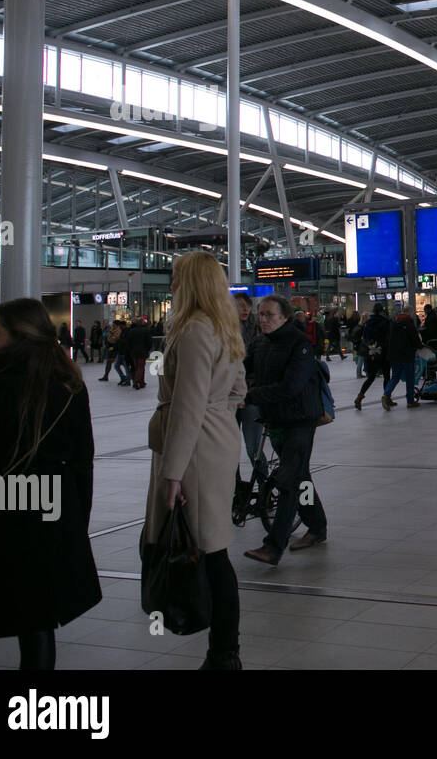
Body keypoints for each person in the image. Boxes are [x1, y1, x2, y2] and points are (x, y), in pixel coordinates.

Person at [0, 299, 102, 670]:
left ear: (20, 337)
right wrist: (76, 520)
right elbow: (83, 460)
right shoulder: (69, 384)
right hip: (53, 511)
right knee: (38, 622)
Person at [142, 252, 247, 669]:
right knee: (213, 549)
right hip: (217, 439)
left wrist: (172, 474)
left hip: (195, 449)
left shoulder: (193, 330)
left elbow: (186, 407)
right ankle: (225, 652)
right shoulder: (223, 327)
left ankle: (224, 654)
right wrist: (221, 413)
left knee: (209, 553)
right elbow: (239, 389)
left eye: (175, 276)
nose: (170, 283)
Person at [243, 294, 328, 566]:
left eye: (269, 314)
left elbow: (292, 386)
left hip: (300, 420)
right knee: (300, 475)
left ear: (285, 317)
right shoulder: (259, 343)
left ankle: (274, 546)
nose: (263, 319)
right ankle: (317, 526)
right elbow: (241, 369)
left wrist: (251, 396)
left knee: (288, 480)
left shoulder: (299, 344)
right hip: (276, 419)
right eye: (261, 314)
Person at [234, 293, 265, 470]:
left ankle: (262, 487)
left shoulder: (260, 332)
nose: (245, 309)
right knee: (228, 448)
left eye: (247, 305)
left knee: (254, 447)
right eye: (240, 305)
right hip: (229, 396)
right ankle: (235, 488)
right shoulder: (224, 333)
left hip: (251, 393)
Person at [382, 305, 423, 409]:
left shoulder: (393, 323)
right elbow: (415, 340)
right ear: (410, 312)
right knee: (410, 378)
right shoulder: (409, 323)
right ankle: (410, 401)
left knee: (395, 377)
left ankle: (386, 394)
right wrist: (420, 346)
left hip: (394, 355)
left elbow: (388, 339)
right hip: (407, 356)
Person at [353, 302, 390, 411]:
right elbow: (388, 337)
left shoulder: (368, 322)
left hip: (371, 352)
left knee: (371, 377)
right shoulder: (385, 322)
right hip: (383, 352)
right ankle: (386, 397)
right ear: (382, 311)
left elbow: (365, 337)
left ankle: (359, 397)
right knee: (387, 376)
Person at [128, 315, 154, 390]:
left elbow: (129, 342)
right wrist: (147, 349)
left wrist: (131, 349)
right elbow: (149, 341)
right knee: (141, 367)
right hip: (142, 351)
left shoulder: (132, 331)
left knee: (137, 367)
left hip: (134, 351)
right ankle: (137, 381)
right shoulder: (146, 331)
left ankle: (141, 381)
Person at [114, 318, 133, 386]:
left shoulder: (127, 331)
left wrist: (119, 339)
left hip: (125, 352)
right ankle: (123, 378)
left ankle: (127, 380)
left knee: (126, 367)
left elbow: (126, 341)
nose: (119, 327)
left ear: (123, 325)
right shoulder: (122, 331)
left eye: (120, 326)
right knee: (116, 366)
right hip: (120, 352)